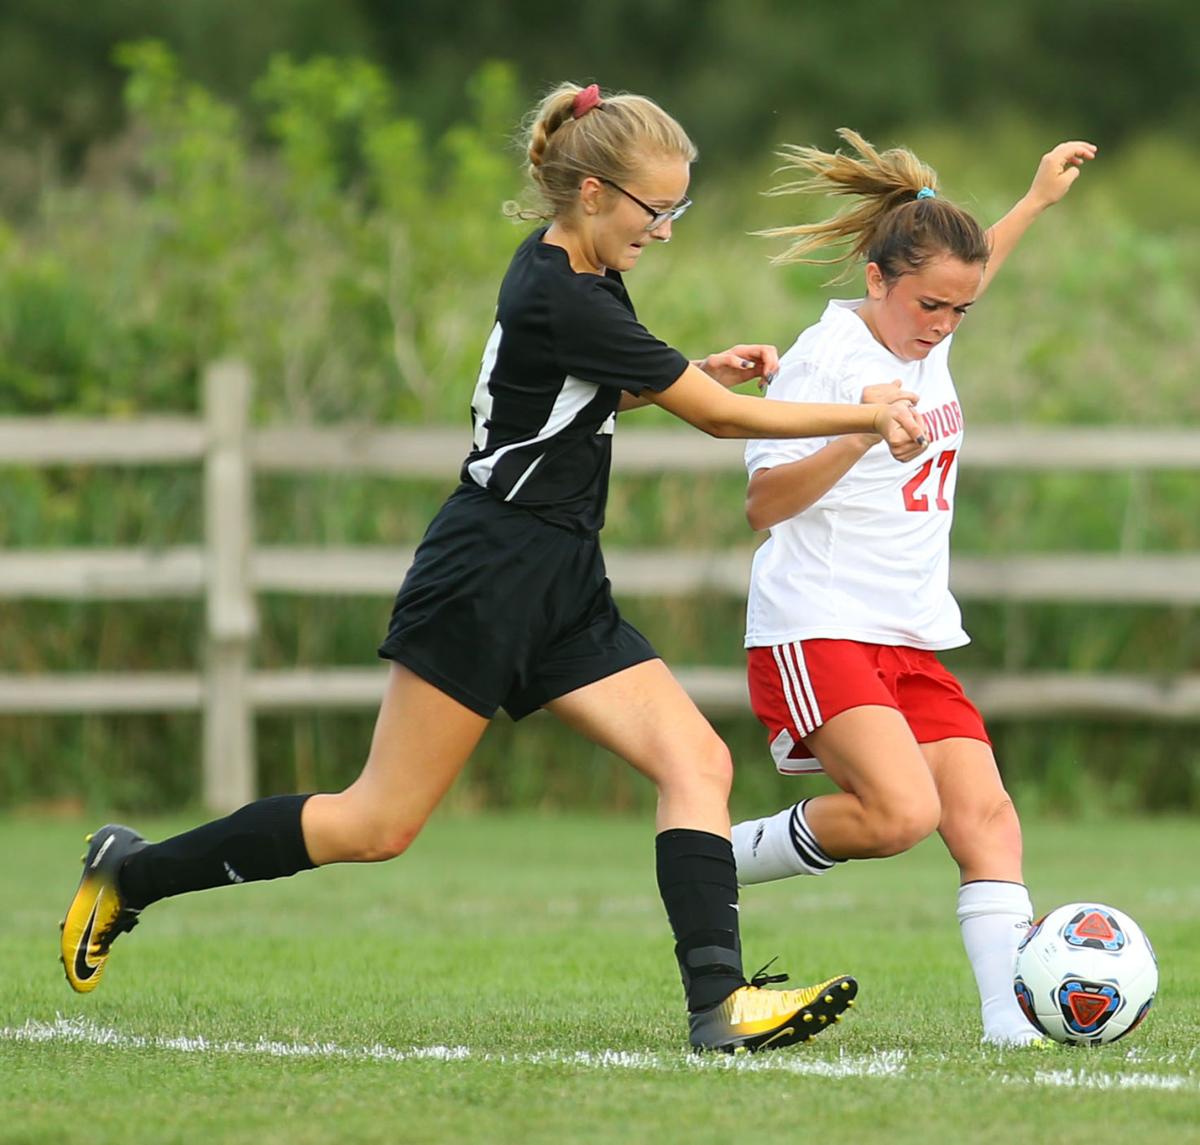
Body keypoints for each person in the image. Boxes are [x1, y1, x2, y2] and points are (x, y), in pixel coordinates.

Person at [60, 87, 928, 1054]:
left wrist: (685, 371)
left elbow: (566, 398)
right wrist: (864, 412)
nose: (668, 232)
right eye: (657, 211)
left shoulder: (585, 276)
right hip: (487, 571)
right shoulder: (562, 289)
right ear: (595, 193)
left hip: (559, 575)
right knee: (376, 822)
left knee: (698, 762)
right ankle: (129, 875)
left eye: (677, 212)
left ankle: (719, 1007)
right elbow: (719, 425)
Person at [730, 129, 1096, 1046]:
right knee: (901, 813)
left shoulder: (927, 323)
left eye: (960, 312)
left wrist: (1035, 199)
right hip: (816, 625)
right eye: (929, 304)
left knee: (986, 817)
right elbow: (764, 502)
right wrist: (859, 429)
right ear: (876, 277)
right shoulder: (825, 360)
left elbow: (969, 271)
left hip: (907, 631)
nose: (942, 325)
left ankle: (1013, 1028)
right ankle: (708, 857)